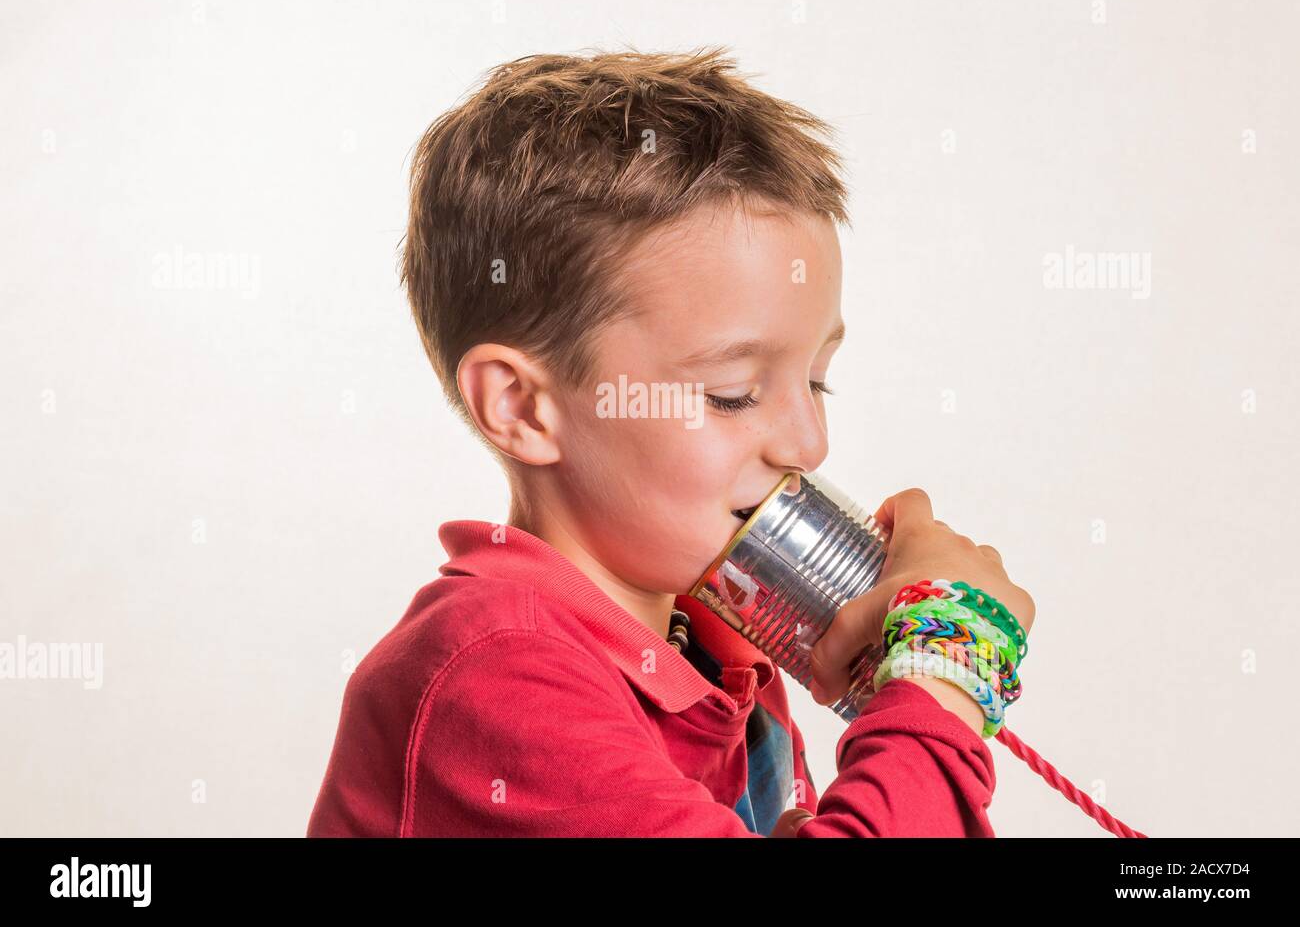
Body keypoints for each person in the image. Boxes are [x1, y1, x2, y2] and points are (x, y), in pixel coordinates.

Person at [307, 47, 1036, 837]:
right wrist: (946, 670)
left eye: (817, 381)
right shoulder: (494, 673)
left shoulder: (719, 651)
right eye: (733, 395)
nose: (809, 442)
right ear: (521, 405)